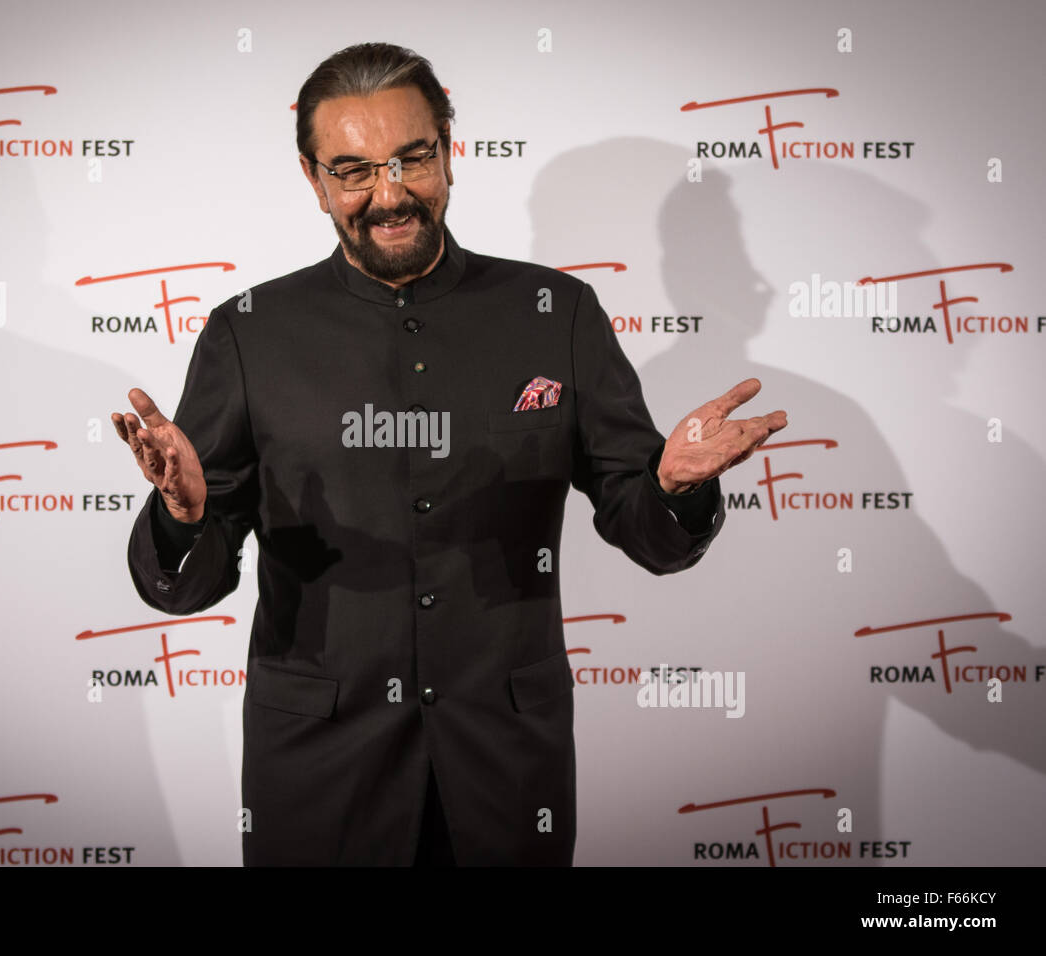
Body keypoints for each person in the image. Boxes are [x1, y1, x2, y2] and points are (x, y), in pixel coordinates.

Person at [112, 42, 786, 866]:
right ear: (314, 180)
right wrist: (184, 517)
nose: (390, 193)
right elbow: (188, 582)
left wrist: (674, 488)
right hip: (318, 772)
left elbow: (646, 532)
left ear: (449, 153)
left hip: (507, 768)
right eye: (354, 171)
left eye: (413, 158)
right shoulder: (248, 334)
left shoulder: (557, 314)